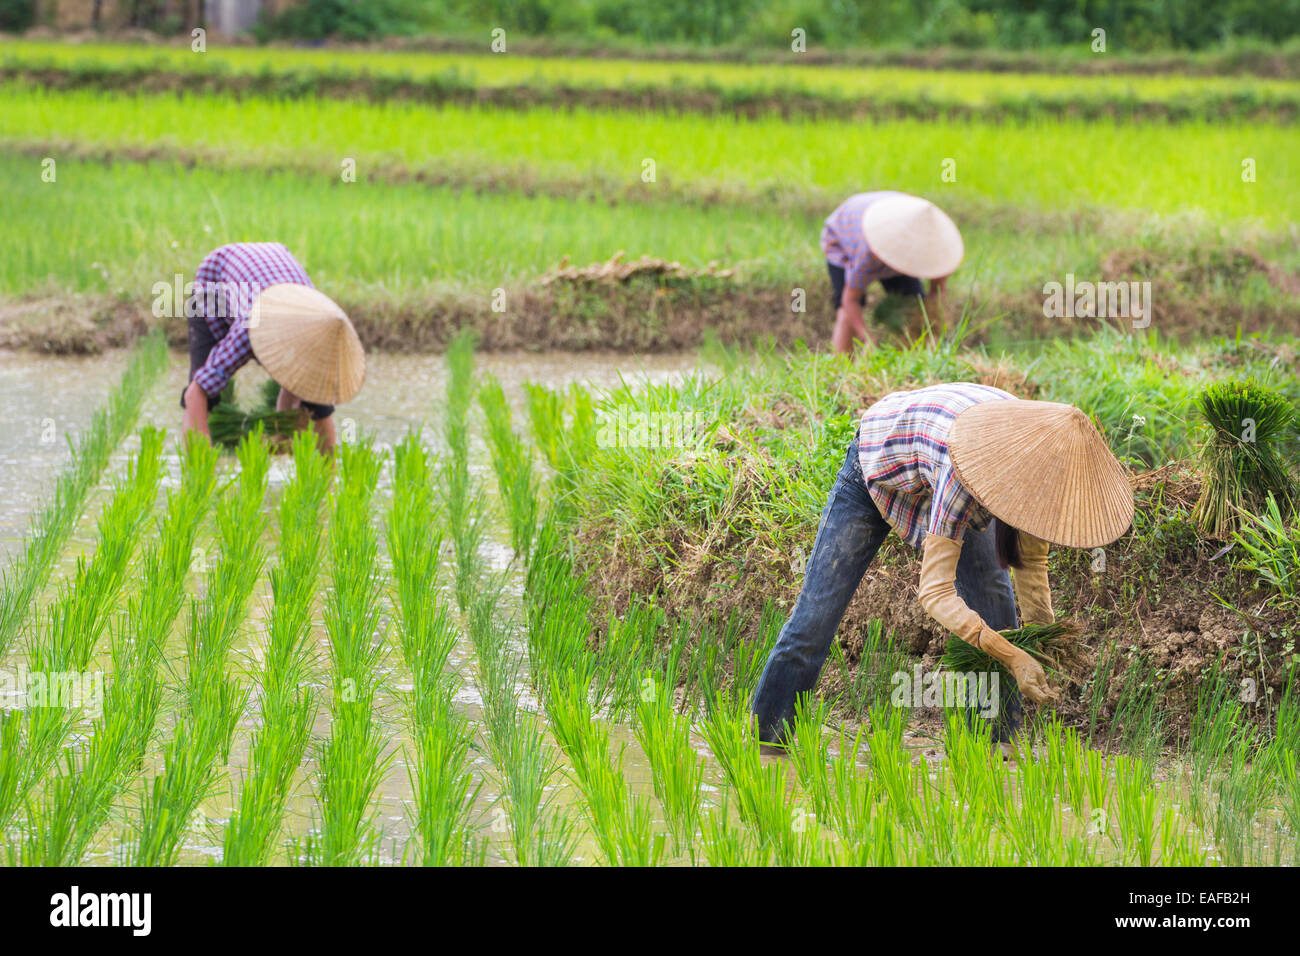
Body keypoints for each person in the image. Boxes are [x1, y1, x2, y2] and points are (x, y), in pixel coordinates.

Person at [750, 383, 1134, 746]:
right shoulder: (962, 467)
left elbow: (1030, 560)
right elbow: (934, 593)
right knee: (816, 617)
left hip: (943, 465)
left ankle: (994, 744)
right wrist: (1014, 656)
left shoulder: (1033, 464)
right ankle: (766, 742)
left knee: (995, 605)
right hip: (875, 470)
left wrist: (1040, 642)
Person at [180, 242, 365, 454]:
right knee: (204, 395)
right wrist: (203, 480)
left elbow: (305, 395)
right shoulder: (249, 330)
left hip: (273, 271)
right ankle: (199, 474)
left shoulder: (321, 327)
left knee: (317, 403)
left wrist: (282, 431)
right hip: (214, 285)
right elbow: (195, 394)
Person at [821, 192, 964, 353]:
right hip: (842, 235)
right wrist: (867, 339)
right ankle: (840, 367)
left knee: (913, 304)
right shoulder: (868, 256)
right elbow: (850, 300)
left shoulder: (938, 251)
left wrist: (933, 320)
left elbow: (937, 292)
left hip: (891, 218)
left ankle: (910, 361)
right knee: (845, 313)